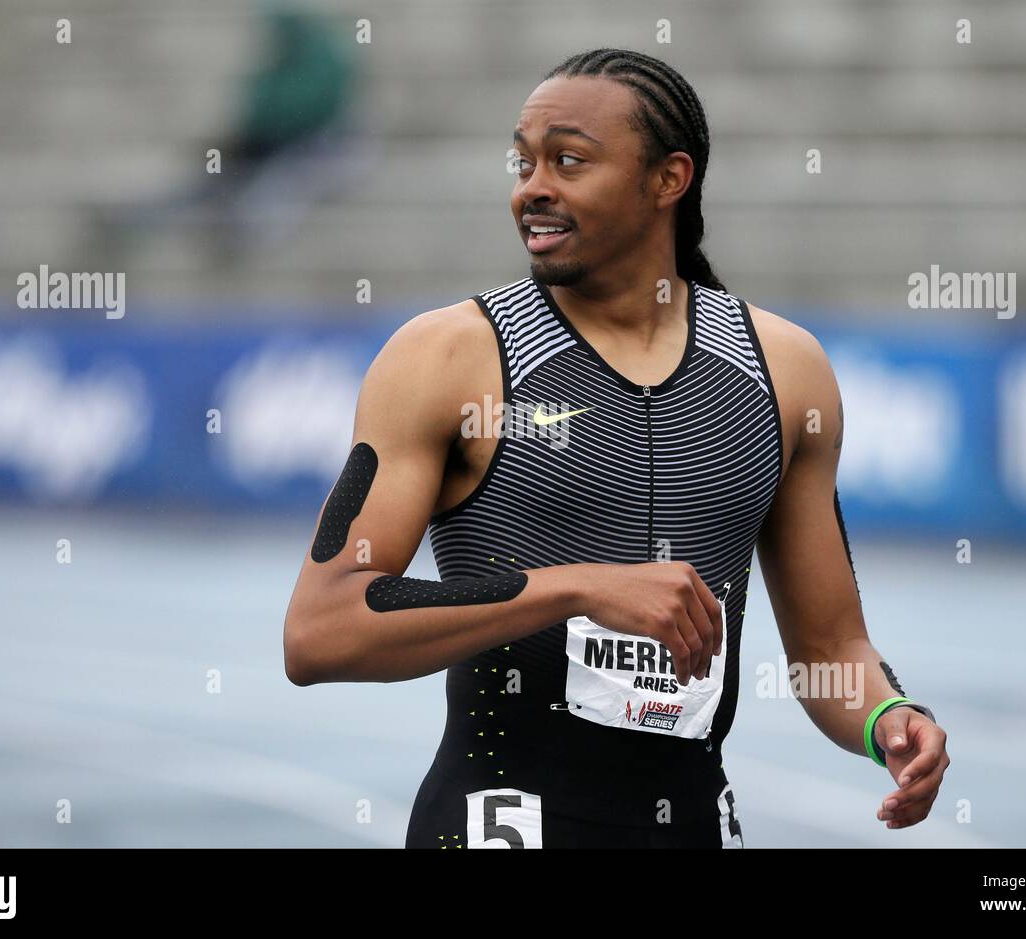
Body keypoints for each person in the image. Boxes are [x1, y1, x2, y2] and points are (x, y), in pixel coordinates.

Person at [283, 48, 949, 848]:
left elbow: (830, 648)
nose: (531, 187)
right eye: (523, 161)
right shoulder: (447, 358)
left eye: (568, 161)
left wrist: (889, 716)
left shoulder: (785, 372)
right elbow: (320, 628)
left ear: (669, 179)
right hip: (502, 821)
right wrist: (578, 588)